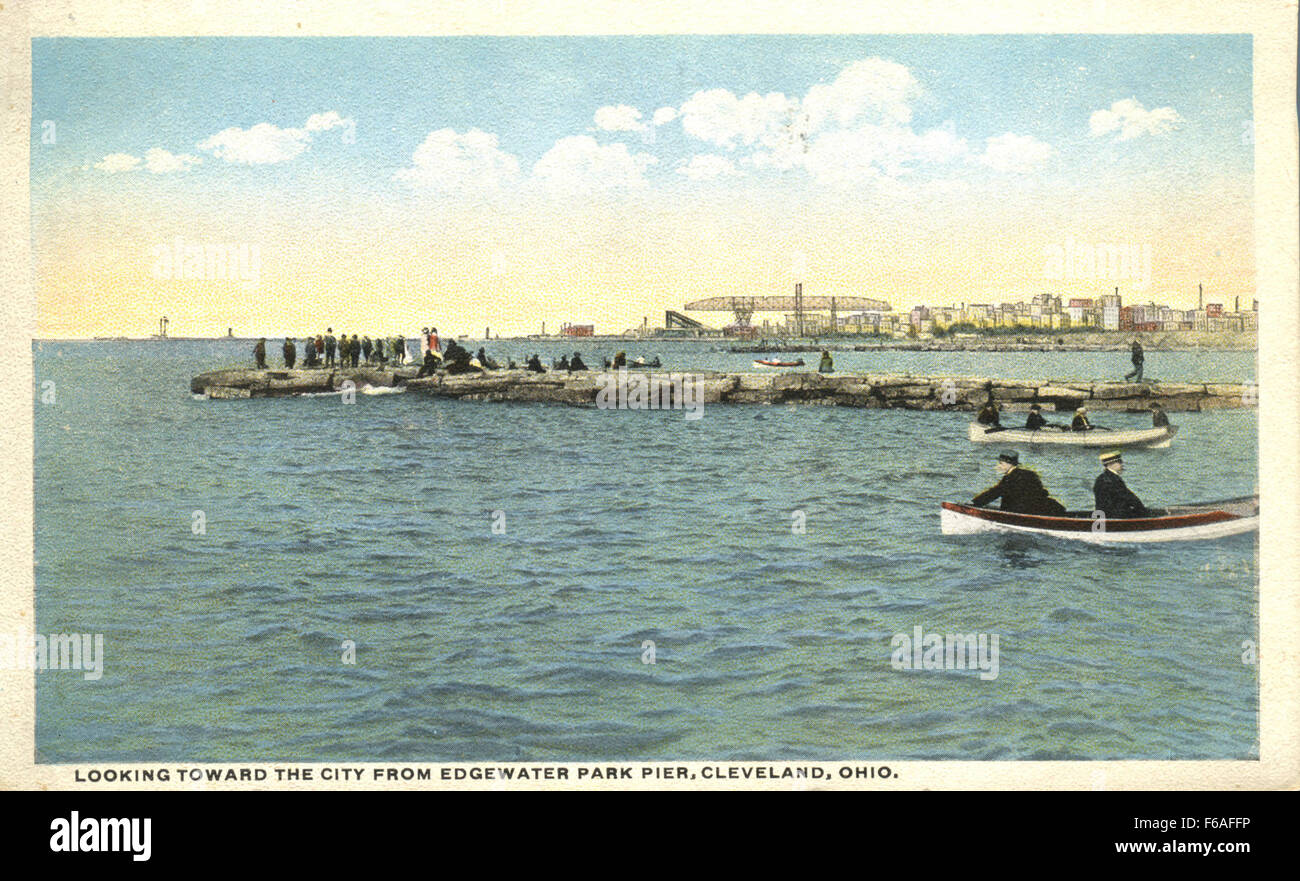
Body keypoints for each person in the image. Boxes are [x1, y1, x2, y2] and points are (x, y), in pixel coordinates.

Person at [971, 452, 1067, 516]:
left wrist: (975, 503)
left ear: (1010, 464)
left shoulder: (1010, 478)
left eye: (1001, 464)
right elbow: (1042, 492)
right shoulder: (1029, 473)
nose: (998, 466)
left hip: (1024, 511)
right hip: (1045, 508)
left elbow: (995, 492)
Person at [1093, 450, 1152, 519]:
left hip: (1103, 515)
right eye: (1119, 462)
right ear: (1110, 464)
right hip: (1115, 516)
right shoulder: (1113, 480)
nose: (1122, 464)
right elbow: (1129, 498)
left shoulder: (1101, 478)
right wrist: (1142, 509)